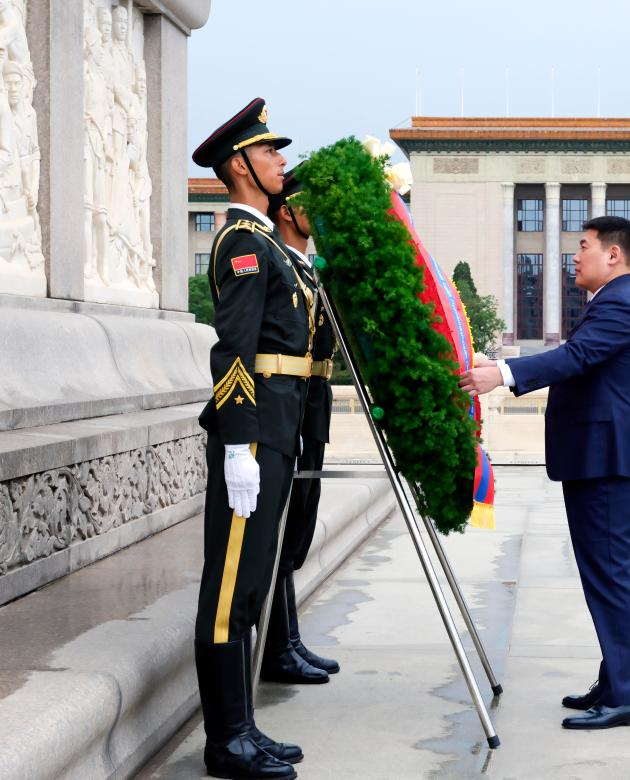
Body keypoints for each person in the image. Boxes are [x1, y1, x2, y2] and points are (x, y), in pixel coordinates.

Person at [459, 215, 630, 730]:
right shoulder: (610, 302)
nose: (576, 255)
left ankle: (624, 697)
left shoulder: (621, 303)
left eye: (584, 246)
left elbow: (578, 357)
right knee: (606, 575)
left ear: (613, 255)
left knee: (611, 576)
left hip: (610, 463)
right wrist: (500, 365)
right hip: (600, 459)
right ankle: (615, 681)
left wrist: (501, 375)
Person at [191, 97, 316, 780]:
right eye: (270, 152)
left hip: (276, 427)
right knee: (228, 585)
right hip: (255, 431)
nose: (280, 161)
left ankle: (243, 728)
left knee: (249, 587)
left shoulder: (266, 243)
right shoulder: (242, 244)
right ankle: (225, 739)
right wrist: (238, 441)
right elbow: (232, 349)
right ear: (239, 165)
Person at [261, 165, 340, 684]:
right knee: (283, 528)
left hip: (310, 405)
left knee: (300, 525)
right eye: (310, 201)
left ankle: (288, 639)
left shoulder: (308, 268)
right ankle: (276, 649)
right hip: (284, 407)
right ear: (288, 209)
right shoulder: (275, 262)